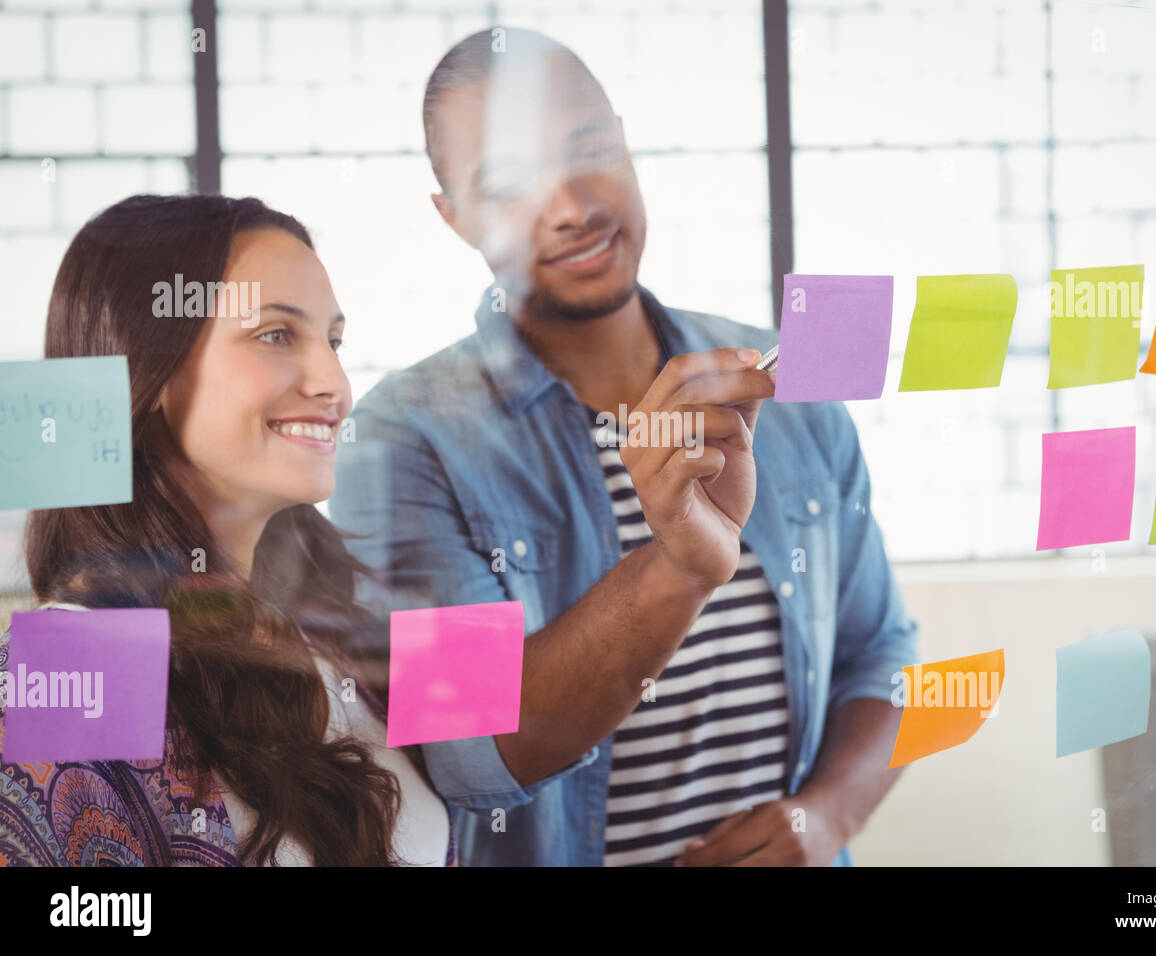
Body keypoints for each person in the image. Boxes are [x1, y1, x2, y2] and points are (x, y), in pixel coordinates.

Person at [331, 27, 919, 867]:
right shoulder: (398, 439)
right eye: (507, 183)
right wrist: (679, 565)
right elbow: (470, 748)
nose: (572, 205)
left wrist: (827, 817)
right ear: (454, 217)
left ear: (625, 136)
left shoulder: (781, 384)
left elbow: (883, 653)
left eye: (590, 148)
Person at [0, 194, 453, 867]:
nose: (334, 384)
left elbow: (539, 717)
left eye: (334, 341)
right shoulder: (72, 664)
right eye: (276, 335)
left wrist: (666, 565)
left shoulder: (339, 620)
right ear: (147, 368)